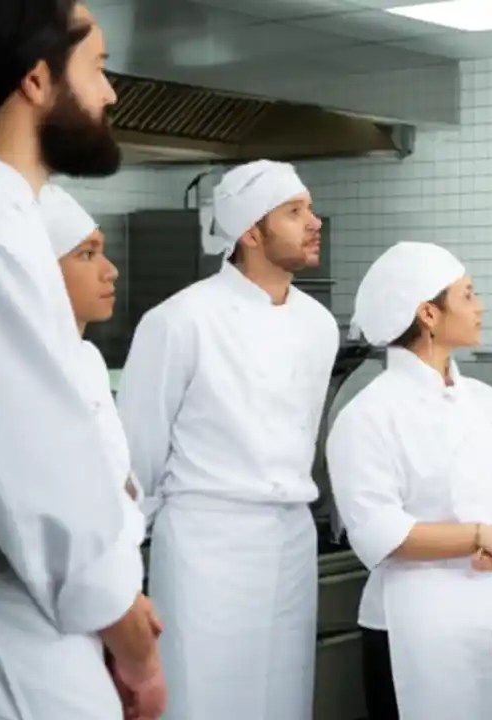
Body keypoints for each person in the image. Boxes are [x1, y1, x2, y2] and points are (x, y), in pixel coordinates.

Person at [0, 2, 165, 719]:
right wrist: (138, 655)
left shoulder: (11, 219)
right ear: (35, 80)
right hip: (16, 626)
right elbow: (44, 485)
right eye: (98, 67)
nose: (112, 94)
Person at [115, 159, 339, 719]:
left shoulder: (319, 324)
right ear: (250, 232)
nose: (314, 222)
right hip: (206, 545)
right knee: (203, 698)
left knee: (283, 698)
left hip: (290, 541)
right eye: (294, 212)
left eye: (309, 208)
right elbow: (135, 454)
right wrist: (122, 569)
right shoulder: (180, 320)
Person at [326, 241, 492, 719]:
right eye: (467, 295)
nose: (479, 306)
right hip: (414, 625)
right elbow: (381, 533)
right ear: (428, 313)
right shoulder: (367, 415)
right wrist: (481, 536)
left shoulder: (487, 401)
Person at [40, 183, 146, 541]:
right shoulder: (16, 373)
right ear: (37, 270)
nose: (111, 270)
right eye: (87, 254)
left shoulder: (87, 358)